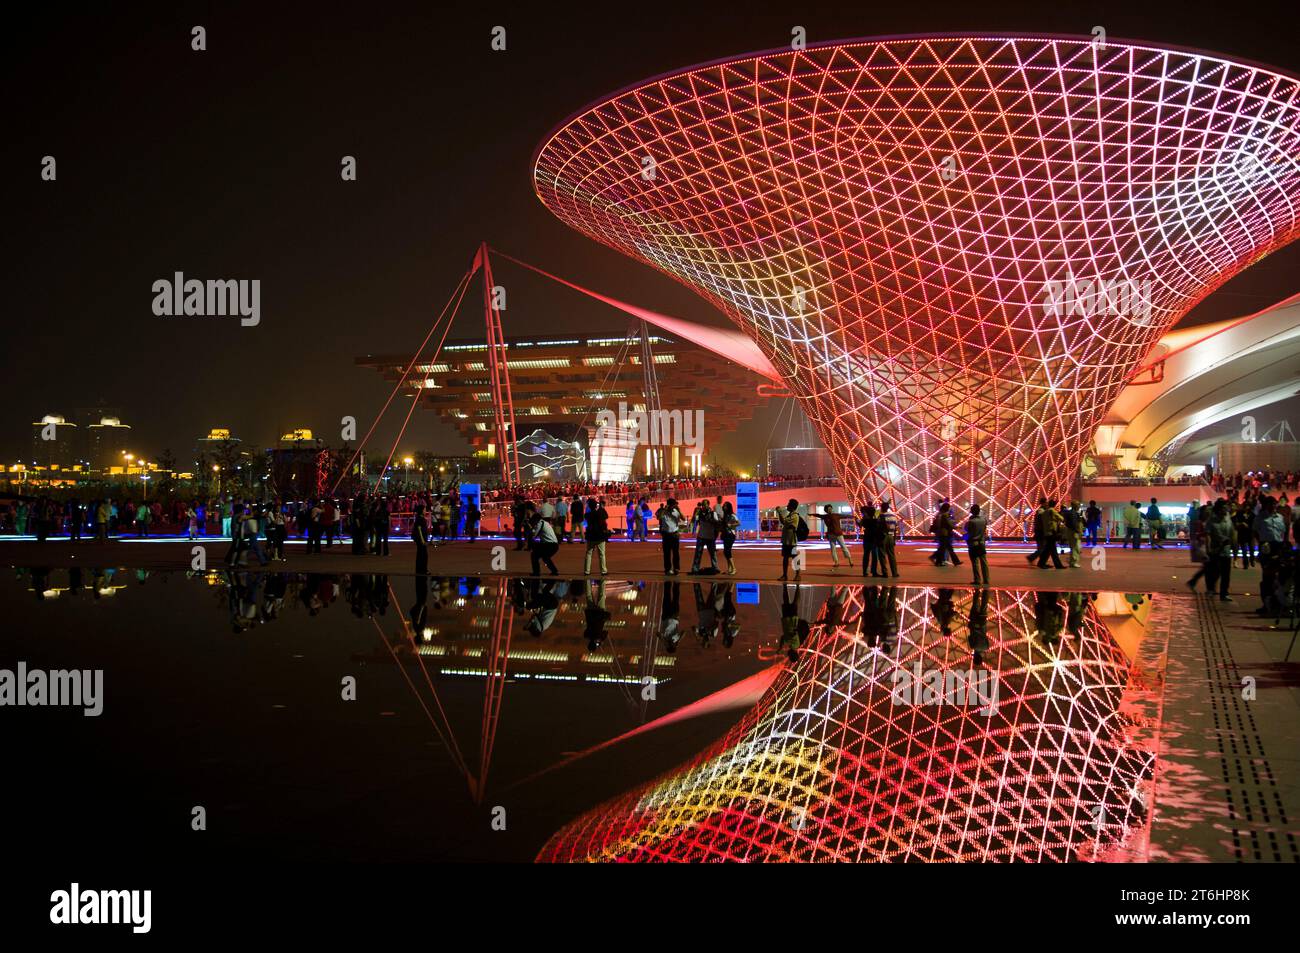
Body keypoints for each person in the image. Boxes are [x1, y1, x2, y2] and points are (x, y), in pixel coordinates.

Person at [1204, 500, 1235, 602]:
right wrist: (1208, 548)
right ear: (1218, 509)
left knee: (1226, 574)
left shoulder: (1228, 518)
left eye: (1226, 508)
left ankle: (1224, 593)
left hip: (1226, 549)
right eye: (1223, 508)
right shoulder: (1211, 520)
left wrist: (1234, 544)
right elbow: (1207, 534)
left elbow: (1232, 532)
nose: (1226, 510)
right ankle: (1211, 589)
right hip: (1215, 550)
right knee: (1215, 572)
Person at [812, 504, 853, 570]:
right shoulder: (825, 516)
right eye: (828, 509)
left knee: (843, 547)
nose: (830, 510)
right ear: (826, 510)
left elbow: (845, 516)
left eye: (830, 508)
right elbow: (818, 515)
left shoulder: (836, 515)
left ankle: (850, 560)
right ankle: (836, 562)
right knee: (833, 549)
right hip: (831, 535)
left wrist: (852, 516)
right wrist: (811, 514)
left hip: (838, 534)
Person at [656, 497, 684, 576]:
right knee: (667, 553)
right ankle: (667, 569)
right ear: (669, 505)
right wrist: (665, 510)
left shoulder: (675, 511)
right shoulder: (663, 512)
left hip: (674, 534)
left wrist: (679, 510)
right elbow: (659, 517)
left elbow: (683, 518)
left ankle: (676, 568)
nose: (674, 506)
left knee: (676, 553)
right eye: (674, 505)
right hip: (666, 535)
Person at [690, 499, 719, 573]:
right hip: (701, 536)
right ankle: (695, 568)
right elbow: (693, 521)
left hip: (710, 536)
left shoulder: (713, 513)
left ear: (708, 505)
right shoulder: (699, 514)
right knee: (698, 554)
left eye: (705, 504)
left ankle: (715, 567)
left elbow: (717, 523)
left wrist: (709, 520)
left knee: (713, 554)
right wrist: (695, 513)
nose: (703, 506)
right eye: (702, 505)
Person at [1035, 500, 1065, 569]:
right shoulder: (1052, 511)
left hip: (1046, 532)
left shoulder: (1045, 512)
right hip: (1052, 532)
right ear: (1054, 505)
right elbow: (1061, 518)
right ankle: (1058, 565)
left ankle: (1041, 563)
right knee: (1052, 550)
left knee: (1048, 550)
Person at [583, 497, 610, 575]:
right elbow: (604, 518)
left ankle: (587, 571)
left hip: (591, 535)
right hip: (599, 536)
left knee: (589, 553)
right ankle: (603, 570)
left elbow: (586, 520)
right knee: (602, 554)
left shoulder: (587, 515)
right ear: (596, 506)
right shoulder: (599, 513)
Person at [778, 498, 802, 582]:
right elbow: (783, 522)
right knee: (785, 558)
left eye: (788, 504)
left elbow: (784, 522)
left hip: (792, 541)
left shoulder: (794, 516)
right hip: (786, 540)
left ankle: (798, 575)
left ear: (792, 506)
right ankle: (785, 575)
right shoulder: (790, 515)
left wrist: (779, 512)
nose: (787, 506)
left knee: (794, 558)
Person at [530, 509, 560, 576]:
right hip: (553, 545)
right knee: (545, 557)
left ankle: (536, 572)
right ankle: (554, 571)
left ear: (536, 519)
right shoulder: (545, 522)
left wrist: (531, 528)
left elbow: (534, 535)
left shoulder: (540, 523)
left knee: (534, 555)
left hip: (549, 545)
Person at [929, 502, 960, 567]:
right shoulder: (945, 515)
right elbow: (948, 523)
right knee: (944, 548)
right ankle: (935, 559)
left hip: (940, 533)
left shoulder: (939, 514)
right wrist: (956, 527)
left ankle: (954, 561)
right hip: (944, 533)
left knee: (944, 548)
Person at [965, 503, 989, 585]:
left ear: (972, 511)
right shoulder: (984, 520)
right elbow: (985, 530)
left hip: (973, 544)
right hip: (982, 543)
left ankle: (977, 580)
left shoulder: (970, 522)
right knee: (984, 562)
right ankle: (986, 579)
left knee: (975, 563)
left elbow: (967, 530)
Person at [878, 501, 900, 577]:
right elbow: (895, 529)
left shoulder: (881, 516)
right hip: (891, 536)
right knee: (892, 555)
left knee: (882, 555)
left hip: (883, 537)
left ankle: (885, 573)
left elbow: (879, 527)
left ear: (882, 508)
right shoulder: (893, 516)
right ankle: (895, 572)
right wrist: (894, 539)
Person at [720, 500, 739, 575]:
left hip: (731, 535)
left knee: (727, 551)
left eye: (725, 506)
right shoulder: (725, 516)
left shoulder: (732, 515)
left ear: (728, 507)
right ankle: (729, 569)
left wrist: (731, 525)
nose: (724, 507)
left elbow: (738, 523)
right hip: (725, 534)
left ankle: (734, 568)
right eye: (723, 506)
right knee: (725, 552)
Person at [1061, 500, 1082, 568]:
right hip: (1073, 531)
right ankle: (1073, 562)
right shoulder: (1073, 513)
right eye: (1078, 505)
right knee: (1075, 547)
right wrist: (1077, 530)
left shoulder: (1073, 513)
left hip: (1072, 531)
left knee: (1075, 547)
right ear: (1074, 505)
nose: (1079, 506)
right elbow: (1074, 523)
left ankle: (1072, 561)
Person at [412, 504, 430, 574]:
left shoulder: (419, 518)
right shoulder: (420, 519)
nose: (425, 511)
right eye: (424, 509)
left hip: (420, 540)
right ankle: (423, 570)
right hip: (421, 540)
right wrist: (423, 541)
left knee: (420, 555)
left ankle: (419, 570)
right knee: (423, 555)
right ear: (421, 511)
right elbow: (419, 530)